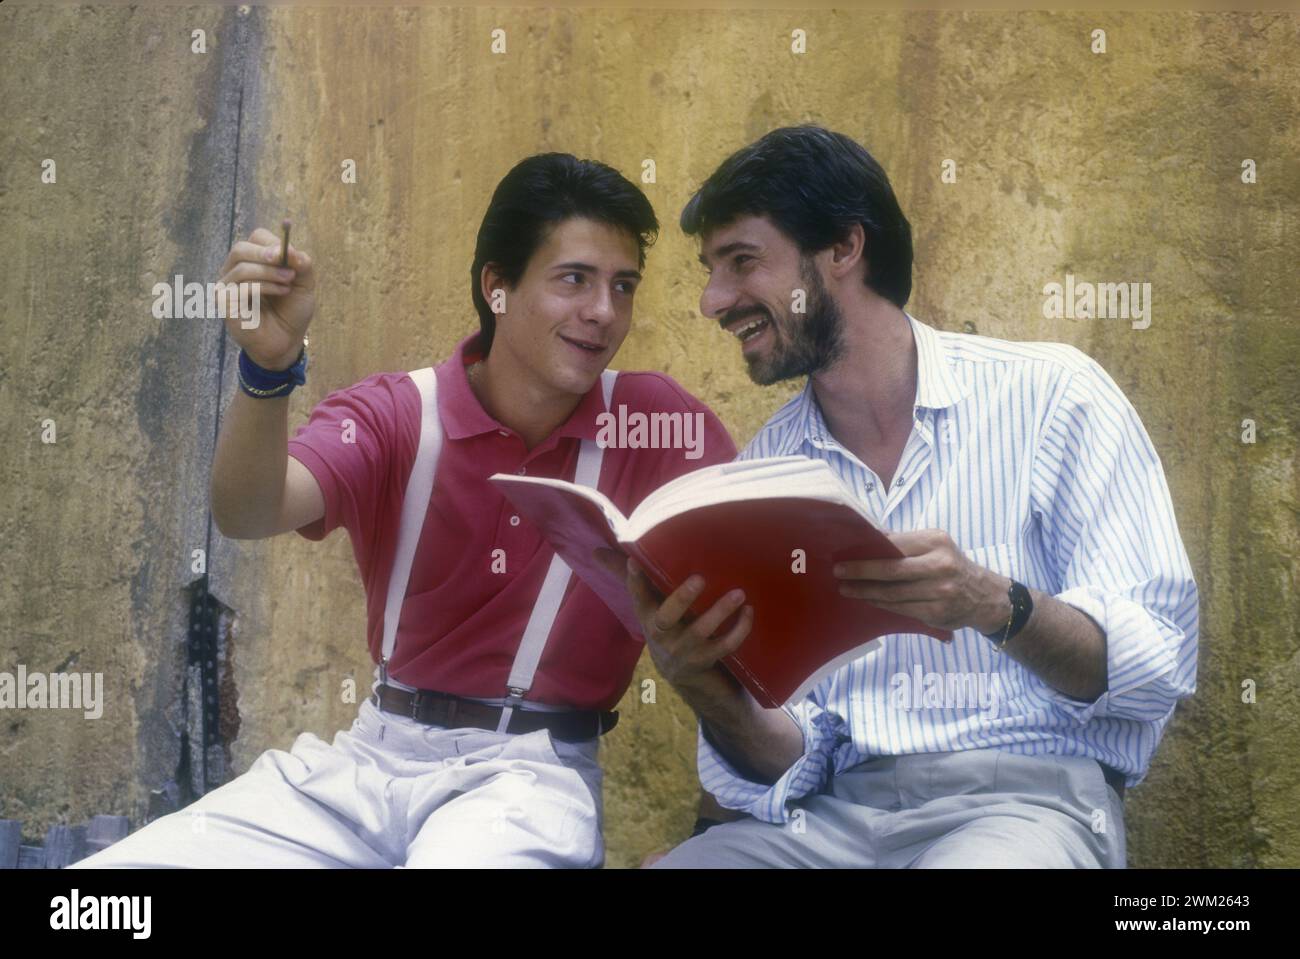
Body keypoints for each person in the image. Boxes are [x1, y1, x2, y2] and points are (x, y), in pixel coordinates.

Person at [72, 153, 736, 869]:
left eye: (623, 286)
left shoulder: (660, 424)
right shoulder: (398, 413)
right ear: (498, 287)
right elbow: (248, 509)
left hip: (530, 777)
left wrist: (718, 826)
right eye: (574, 279)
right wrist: (267, 368)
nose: (603, 312)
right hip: (368, 759)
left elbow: (752, 591)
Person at [603, 125, 1198, 868]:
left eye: (742, 262)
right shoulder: (767, 470)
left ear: (844, 249)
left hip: (1021, 807)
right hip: (826, 824)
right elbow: (788, 752)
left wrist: (994, 603)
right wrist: (698, 681)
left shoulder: (1054, 399)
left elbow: (1155, 666)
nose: (713, 300)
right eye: (711, 270)